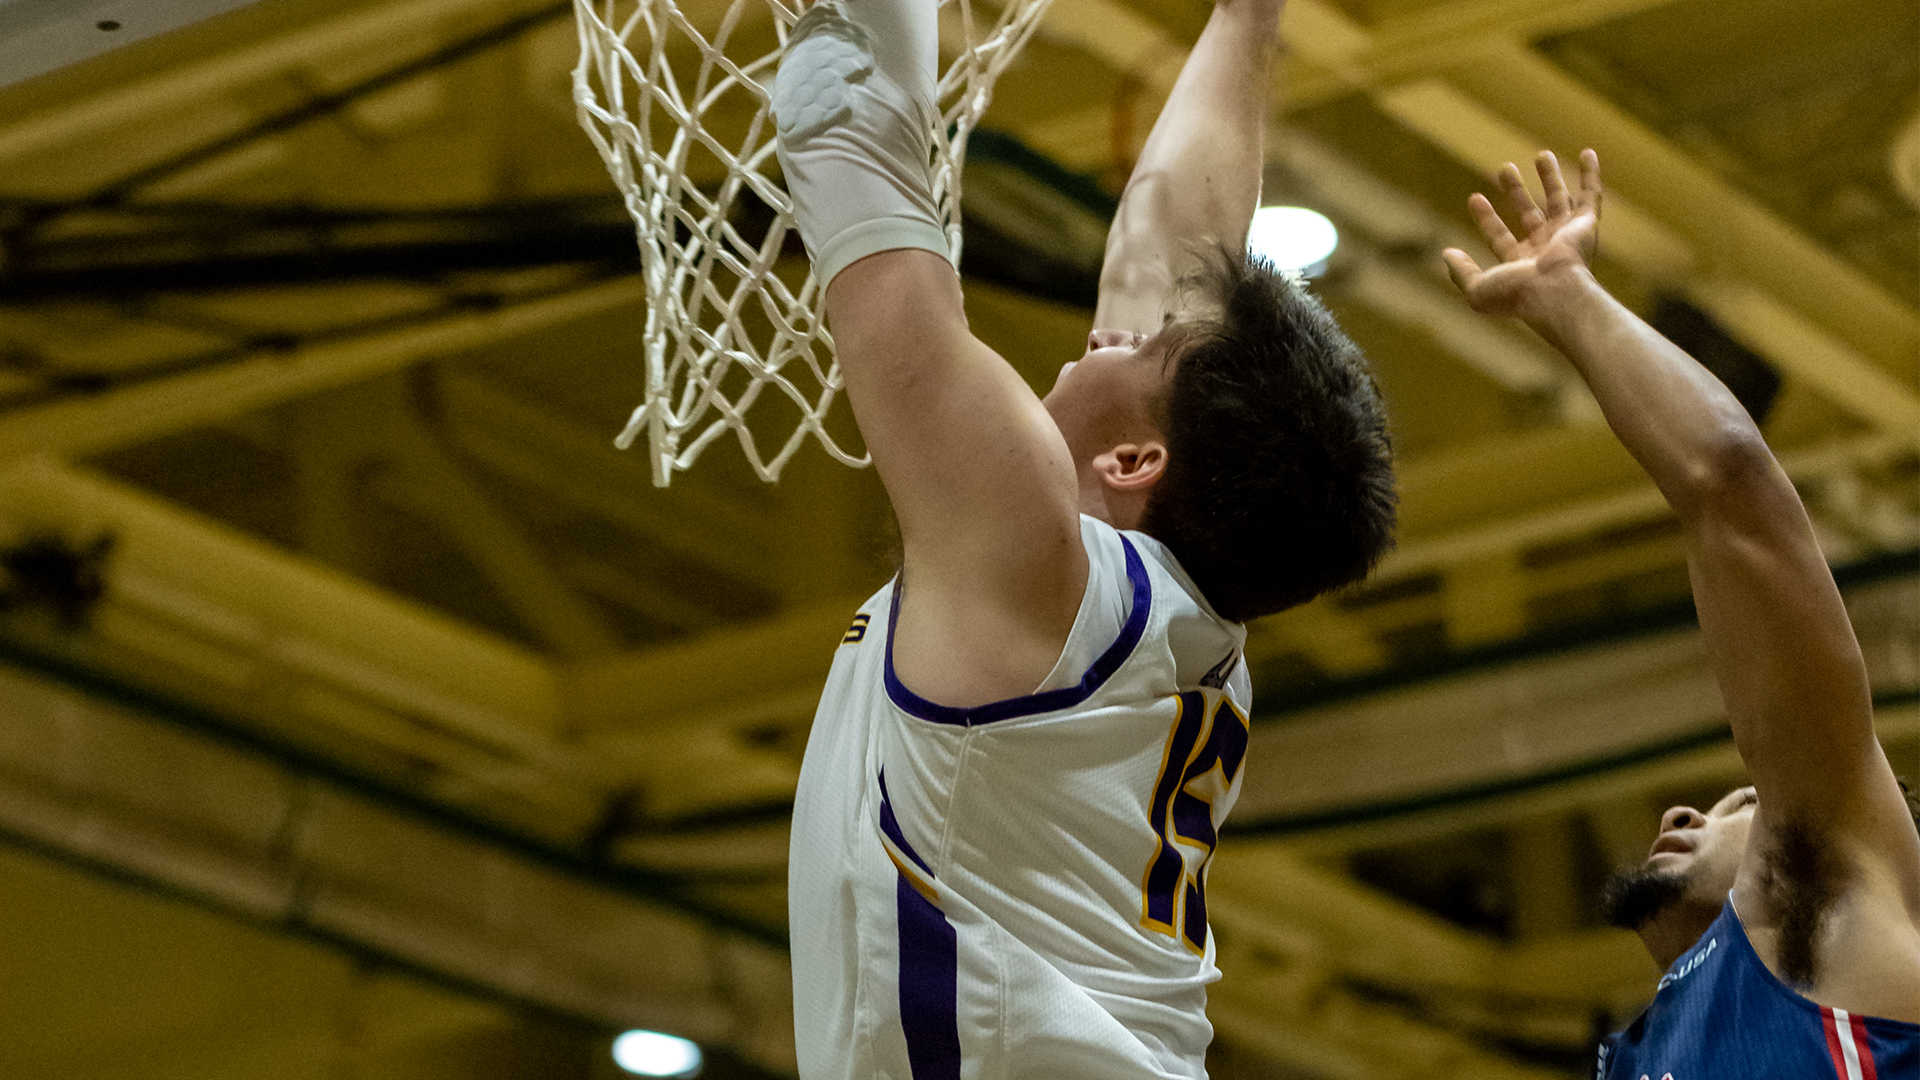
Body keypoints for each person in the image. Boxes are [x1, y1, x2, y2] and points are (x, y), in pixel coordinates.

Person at [769, 0, 1395, 1075]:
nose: (1127, 318)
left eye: (1154, 345)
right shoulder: (1125, 605)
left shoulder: (1040, 558)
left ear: (1137, 461)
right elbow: (1179, 243)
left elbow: (859, 177)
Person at [1444, 148, 1920, 1077]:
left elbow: (1729, 484)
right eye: (1734, 799)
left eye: (1747, 799)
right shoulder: (1637, 1056)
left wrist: (1569, 299)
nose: (1682, 810)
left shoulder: (1842, 908)